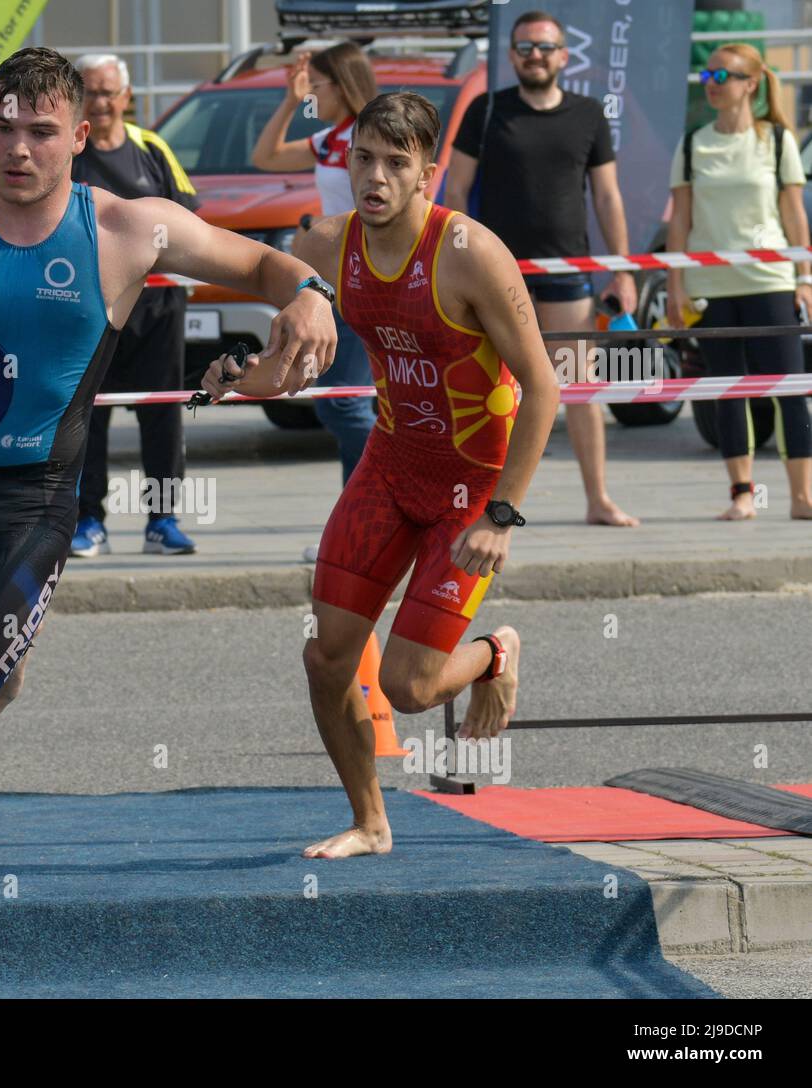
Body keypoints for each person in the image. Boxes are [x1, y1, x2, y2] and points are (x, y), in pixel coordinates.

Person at [0, 46, 335, 997]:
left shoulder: (128, 230)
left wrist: (309, 293)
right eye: (2, 127)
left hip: (33, 505)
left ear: (83, 134)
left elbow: (265, 263)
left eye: (41, 131)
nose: (18, 149)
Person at [203, 91, 559, 859]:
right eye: (364, 158)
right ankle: (371, 821)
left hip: (468, 490)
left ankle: (496, 654)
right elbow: (290, 368)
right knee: (325, 656)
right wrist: (240, 378)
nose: (376, 177)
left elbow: (544, 387)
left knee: (411, 686)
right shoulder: (327, 245)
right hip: (389, 468)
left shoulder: (470, 253)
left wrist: (501, 516)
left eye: (397, 163)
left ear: (428, 172)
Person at [445, 8, 639, 528]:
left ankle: (597, 499)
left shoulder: (588, 114)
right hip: (494, 274)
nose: (535, 56)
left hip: (568, 273)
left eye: (545, 47)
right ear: (511, 55)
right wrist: (457, 257)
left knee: (578, 390)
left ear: (563, 56)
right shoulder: (487, 110)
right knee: (493, 393)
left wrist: (621, 269)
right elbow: (456, 189)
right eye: (525, 48)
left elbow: (607, 195)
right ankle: (485, 505)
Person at [666, 43, 812, 521]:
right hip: (714, 287)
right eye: (707, 75)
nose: (711, 83)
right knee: (726, 391)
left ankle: (801, 498)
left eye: (722, 76)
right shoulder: (692, 144)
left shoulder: (776, 141)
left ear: (751, 83)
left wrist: (804, 277)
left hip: (770, 280)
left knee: (790, 388)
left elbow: (793, 214)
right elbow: (680, 221)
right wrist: (676, 284)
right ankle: (743, 495)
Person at [68, 52, 200, 557]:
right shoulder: (67, 151)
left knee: (163, 416)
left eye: (107, 92)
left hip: (157, 313)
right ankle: (87, 521)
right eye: (89, 91)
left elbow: (189, 222)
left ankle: (162, 521)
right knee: (86, 417)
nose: (99, 102)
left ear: (127, 98)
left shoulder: (152, 148)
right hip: (87, 312)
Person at [252, 42, 379, 562]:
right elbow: (264, 158)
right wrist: (290, 100)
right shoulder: (332, 139)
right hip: (336, 284)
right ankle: (362, 527)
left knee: (345, 406)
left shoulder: (368, 138)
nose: (312, 96)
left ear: (342, 85)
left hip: (367, 287)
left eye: (317, 87)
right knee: (342, 404)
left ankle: (378, 512)